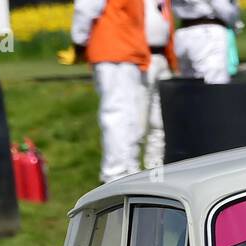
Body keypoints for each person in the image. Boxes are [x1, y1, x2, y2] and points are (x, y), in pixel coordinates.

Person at [72, 0, 149, 183]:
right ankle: (117, 173)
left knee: (125, 115)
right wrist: (80, 39)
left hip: (119, 48)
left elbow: (85, 8)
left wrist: (79, 41)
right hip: (121, 48)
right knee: (121, 114)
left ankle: (124, 171)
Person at [142, 0, 176, 171]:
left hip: (161, 56)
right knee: (138, 120)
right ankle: (128, 176)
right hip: (140, 57)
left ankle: (155, 169)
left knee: (160, 121)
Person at [171, 0, 240, 85]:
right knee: (214, 85)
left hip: (183, 31)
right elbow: (222, 7)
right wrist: (234, 20)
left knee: (188, 88)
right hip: (207, 32)